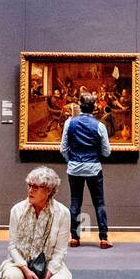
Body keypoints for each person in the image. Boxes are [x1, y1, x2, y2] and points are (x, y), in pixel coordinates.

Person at [60, 91, 111, 248]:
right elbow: (106, 151)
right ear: (94, 107)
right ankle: (103, 238)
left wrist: (72, 160)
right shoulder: (99, 125)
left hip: (74, 168)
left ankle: (75, 237)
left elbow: (63, 148)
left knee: (75, 203)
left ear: (80, 105)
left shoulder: (69, 123)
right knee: (99, 203)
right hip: (94, 168)